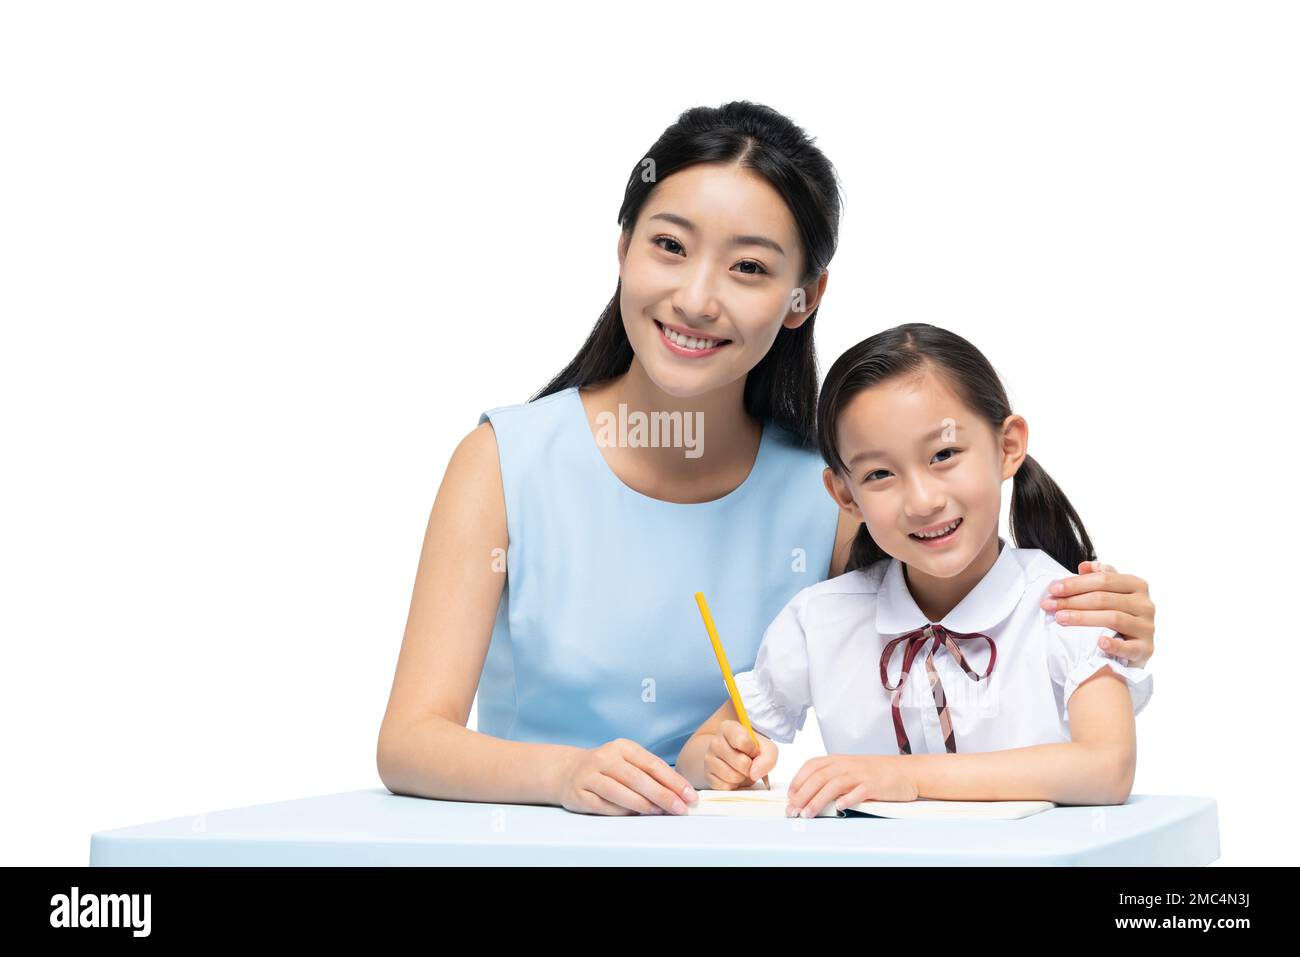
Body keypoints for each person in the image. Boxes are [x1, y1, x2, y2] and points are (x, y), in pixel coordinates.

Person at [376, 102, 1158, 817]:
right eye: (669, 247)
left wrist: (1100, 620)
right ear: (623, 250)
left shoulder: (835, 490)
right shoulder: (503, 461)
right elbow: (410, 739)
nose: (696, 298)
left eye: (749, 267)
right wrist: (560, 776)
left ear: (802, 298)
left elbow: (968, 624)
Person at [678, 323, 1154, 818]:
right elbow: (701, 749)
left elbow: (1107, 767)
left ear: (1008, 447)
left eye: (944, 454)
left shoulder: (1071, 606)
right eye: (879, 474)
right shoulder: (820, 620)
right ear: (845, 495)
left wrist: (902, 777)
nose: (923, 501)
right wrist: (718, 758)